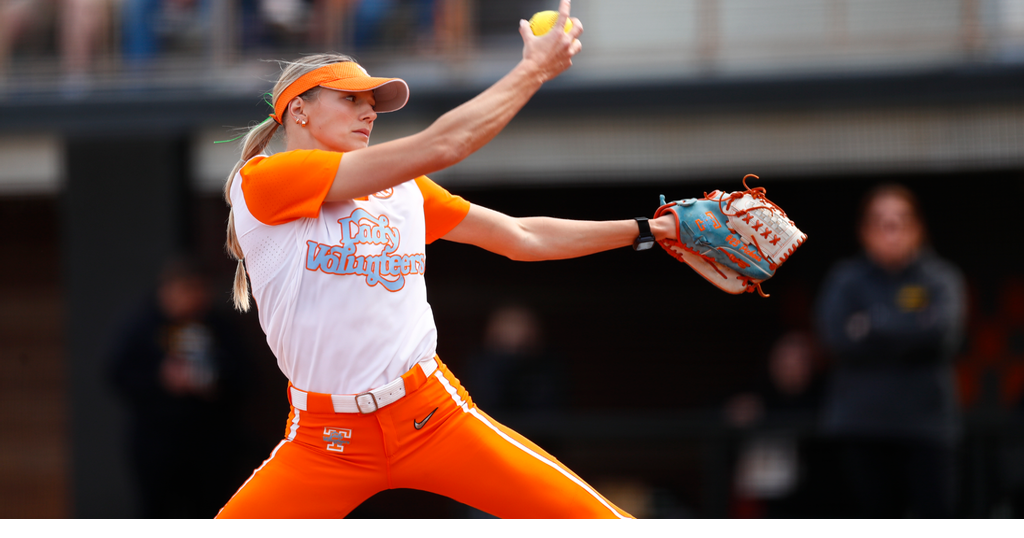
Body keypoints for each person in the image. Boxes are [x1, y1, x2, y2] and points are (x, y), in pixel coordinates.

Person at [215, 2, 675, 519]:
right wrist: (532, 71)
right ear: (297, 110)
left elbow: (522, 236)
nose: (369, 112)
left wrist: (650, 230)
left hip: (431, 416)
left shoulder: (401, 191)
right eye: (350, 99)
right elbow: (446, 143)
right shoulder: (262, 181)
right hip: (327, 441)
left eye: (372, 102)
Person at [815, 184, 966, 518]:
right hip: (861, 428)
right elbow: (836, 338)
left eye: (899, 221)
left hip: (927, 428)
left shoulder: (940, 279)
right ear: (864, 231)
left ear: (917, 229)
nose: (890, 231)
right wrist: (910, 327)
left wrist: (872, 325)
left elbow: (942, 334)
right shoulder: (845, 281)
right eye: (881, 222)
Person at [109, 256, 250, 518]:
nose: (193, 298)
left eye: (199, 290)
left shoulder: (220, 327)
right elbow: (117, 375)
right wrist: (160, 379)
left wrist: (214, 383)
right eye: (185, 289)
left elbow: (246, 378)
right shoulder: (141, 326)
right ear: (167, 290)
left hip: (211, 445)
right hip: (157, 444)